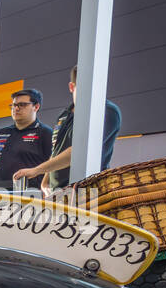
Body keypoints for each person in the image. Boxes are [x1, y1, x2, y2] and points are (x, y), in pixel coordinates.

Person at [13, 65, 122, 193]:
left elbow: (79, 152)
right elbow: (56, 150)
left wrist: (36, 170)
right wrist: (46, 181)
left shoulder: (106, 111)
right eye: (85, 87)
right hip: (58, 191)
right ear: (72, 87)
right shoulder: (64, 115)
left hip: (87, 190)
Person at [0, 88, 52, 191]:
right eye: (14, 105)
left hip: (28, 195)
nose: (16, 109)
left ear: (36, 107)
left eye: (22, 105)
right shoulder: (0, 133)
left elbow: (53, 167)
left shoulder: (46, 133)